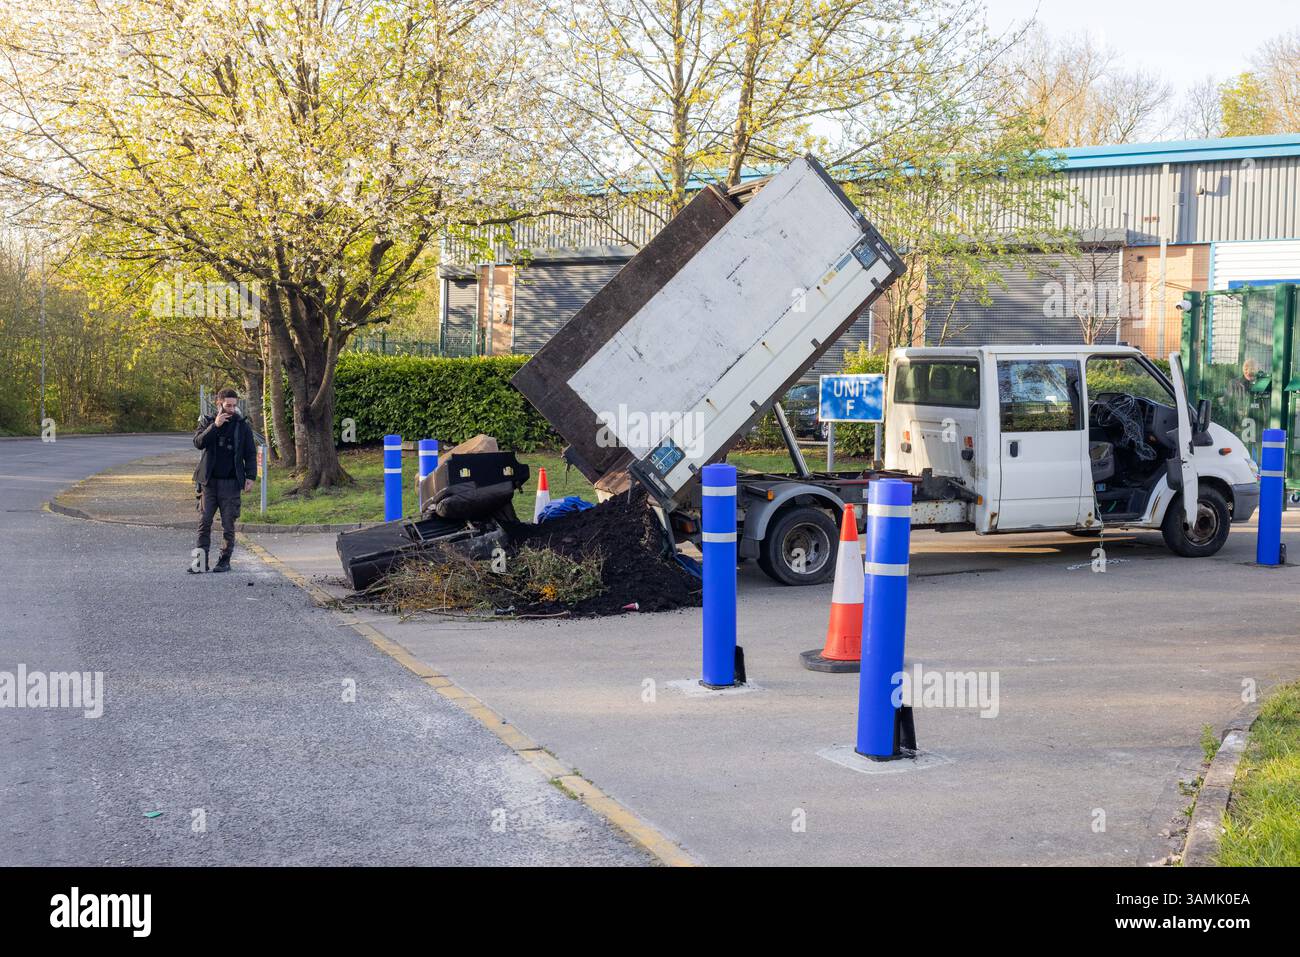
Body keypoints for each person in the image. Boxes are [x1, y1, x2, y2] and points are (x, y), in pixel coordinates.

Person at [189, 387, 257, 573]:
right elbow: (198, 443)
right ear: (219, 403)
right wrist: (215, 426)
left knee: (228, 524)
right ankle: (200, 563)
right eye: (228, 405)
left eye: (234, 405)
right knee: (204, 523)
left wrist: (250, 477)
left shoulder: (242, 425)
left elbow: (250, 453)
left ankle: (224, 561)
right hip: (209, 482)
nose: (231, 409)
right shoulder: (207, 421)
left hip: (231, 483)